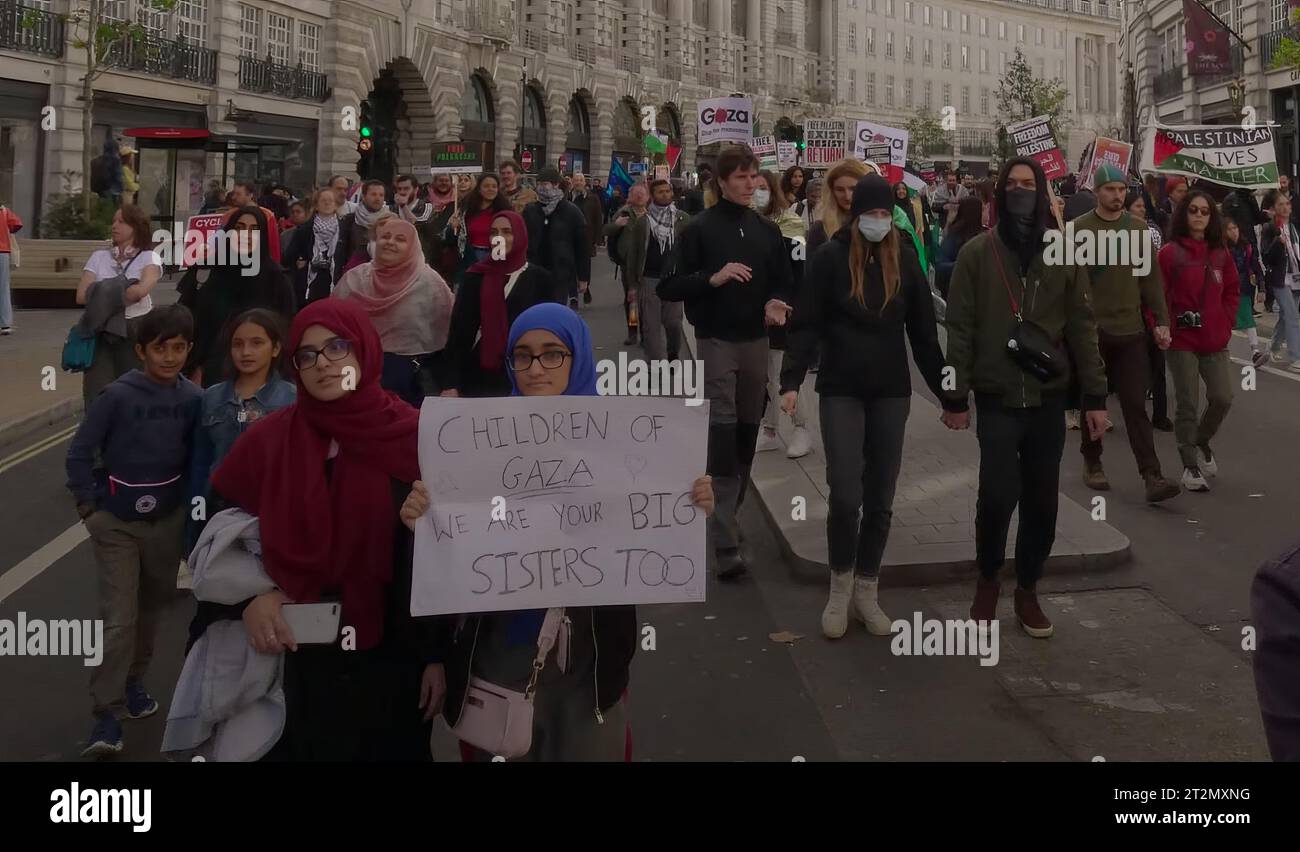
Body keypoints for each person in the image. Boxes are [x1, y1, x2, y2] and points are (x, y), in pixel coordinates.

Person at [409, 303, 714, 761]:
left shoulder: (623, 440)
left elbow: (647, 541)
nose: (536, 368)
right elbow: (449, 558)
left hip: (590, 666)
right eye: (522, 355)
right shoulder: (472, 444)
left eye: (553, 354)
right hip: (496, 657)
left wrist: (686, 504)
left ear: (579, 358)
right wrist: (424, 521)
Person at [208, 299, 447, 761]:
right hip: (297, 658)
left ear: (364, 351)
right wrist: (250, 598)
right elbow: (218, 536)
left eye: (337, 347)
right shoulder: (266, 442)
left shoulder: (418, 438)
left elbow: (446, 559)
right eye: (307, 355)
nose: (323, 364)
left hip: (393, 657)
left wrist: (435, 656)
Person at [941, 157, 1109, 639]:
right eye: (1011, 185)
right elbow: (959, 329)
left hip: (1047, 397)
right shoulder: (977, 254)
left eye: (1028, 185)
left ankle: (1029, 586)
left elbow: (1082, 327)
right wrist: (955, 397)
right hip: (996, 397)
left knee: (1042, 500)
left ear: (1041, 193)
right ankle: (989, 577)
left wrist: (1094, 397)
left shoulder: (1063, 253)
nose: (1020, 192)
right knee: (996, 495)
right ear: (999, 192)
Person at [781, 174, 947, 639]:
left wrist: (949, 394)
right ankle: (839, 589)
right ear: (857, 217)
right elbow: (806, 324)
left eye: (883, 214)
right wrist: (791, 380)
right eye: (869, 214)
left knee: (880, 498)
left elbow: (924, 335)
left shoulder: (906, 260)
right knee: (846, 495)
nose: (877, 221)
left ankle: (867, 592)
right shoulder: (830, 258)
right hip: (841, 388)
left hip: (891, 390)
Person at [67, 305, 201, 757]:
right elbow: (80, 453)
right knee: (119, 619)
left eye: (179, 348)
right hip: (116, 526)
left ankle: (135, 682)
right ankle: (106, 714)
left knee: (149, 614)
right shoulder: (117, 396)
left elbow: (197, 460)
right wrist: (90, 507)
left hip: (166, 524)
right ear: (141, 350)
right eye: (160, 348)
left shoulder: (191, 400)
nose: (170, 357)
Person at [657, 144, 795, 580]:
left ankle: (729, 511)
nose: (749, 184)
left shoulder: (767, 231)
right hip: (715, 340)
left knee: (748, 425)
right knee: (722, 422)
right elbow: (669, 286)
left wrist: (777, 301)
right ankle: (724, 541)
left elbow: (784, 281)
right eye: (739, 177)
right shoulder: (698, 229)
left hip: (756, 340)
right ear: (720, 181)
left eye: (753, 177)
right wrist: (711, 279)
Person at [1069, 164, 1179, 503]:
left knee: (1134, 404)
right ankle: (1093, 460)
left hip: (1131, 331)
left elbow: (1150, 281)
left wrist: (1160, 320)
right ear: (1097, 193)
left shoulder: (1138, 230)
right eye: (1110, 190)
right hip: (1092, 333)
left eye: (1121, 190)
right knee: (1094, 401)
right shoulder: (1076, 230)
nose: (1117, 196)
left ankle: (1152, 475)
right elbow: (1064, 281)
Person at [187, 308, 296, 550]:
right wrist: (196, 514)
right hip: (217, 507)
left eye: (257, 343)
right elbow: (201, 460)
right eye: (238, 344)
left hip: (268, 511)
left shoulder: (292, 400)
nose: (246, 352)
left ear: (275, 348)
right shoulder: (212, 397)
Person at [1158, 189, 1239, 493]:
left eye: (1205, 211)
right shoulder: (1168, 253)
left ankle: (1201, 441)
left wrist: (1226, 321)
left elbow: (1232, 289)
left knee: (1223, 397)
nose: (1199, 216)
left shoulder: (1221, 253)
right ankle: (1189, 465)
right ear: (1184, 214)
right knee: (1188, 402)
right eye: (1193, 210)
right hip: (1181, 340)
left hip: (1214, 339)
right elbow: (1158, 295)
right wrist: (1160, 325)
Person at [333, 215, 455, 406]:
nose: (390, 242)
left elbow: (449, 331)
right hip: (357, 374)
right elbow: (332, 326)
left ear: (413, 246)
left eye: (400, 239)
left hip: (408, 382)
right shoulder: (354, 279)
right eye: (385, 236)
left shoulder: (429, 283)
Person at [443, 210, 562, 397]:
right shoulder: (476, 277)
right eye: (493, 232)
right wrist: (450, 384)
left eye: (507, 232)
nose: (499, 238)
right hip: (484, 375)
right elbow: (460, 335)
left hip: (531, 371)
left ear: (520, 235)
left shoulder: (541, 278)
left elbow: (553, 333)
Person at [177, 206, 296, 388]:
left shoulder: (276, 279)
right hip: (206, 376)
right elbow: (185, 320)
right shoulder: (207, 269)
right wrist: (194, 367)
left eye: (253, 230)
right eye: (239, 228)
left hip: (259, 380)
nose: (244, 235)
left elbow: (285, 332)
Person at [751, 169, 813, 460]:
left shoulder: (792, 222)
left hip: (783, 308)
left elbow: (797, 270)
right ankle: (770, 429)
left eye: (763, 187)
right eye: (754, 187)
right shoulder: (747, 220)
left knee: (780, 373)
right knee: (765, 376)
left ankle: (801, 427)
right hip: (753, 310)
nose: (756, 192)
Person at [77, 205, 164, 405]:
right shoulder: (99, 257)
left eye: (121, 221)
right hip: (101, 330)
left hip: (135, 329)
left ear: (135, 227)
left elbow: (140, 291)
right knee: (97, 393)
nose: (114, 225)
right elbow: (81, 295)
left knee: (134, 392)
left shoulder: (148, 257)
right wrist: (121, 287)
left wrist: (100, 289)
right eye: (114, 220)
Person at [621, 179, 688, 362]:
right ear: (653, 196)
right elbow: (633, 255)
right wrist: (633, 286)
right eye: (660, 192)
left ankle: (673, 353)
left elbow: (691, 249)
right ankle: (654, 364)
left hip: (673, 279)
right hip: (649, 279)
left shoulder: (682, 219)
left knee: (674, 323)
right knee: (650, 327)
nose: (665, 194)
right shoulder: (644, 222)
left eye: (668, 191)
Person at [1126, 190, 1172, 432]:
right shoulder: (1118, 235)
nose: (1142, 210)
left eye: (1144, 206)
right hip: (1128, 308)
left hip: (1151, 306)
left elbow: (1159, 265)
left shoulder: (1152, 232)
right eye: (1137, 206)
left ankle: (1160, 414)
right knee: (1133, 367)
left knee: (1158, 365)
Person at [522, 166, 590, 310]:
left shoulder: (572, 212)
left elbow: (582, 247)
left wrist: (583, 277)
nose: (541, 188)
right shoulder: (530, 210)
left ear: (556, 184)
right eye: (538, 184)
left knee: (554, 313)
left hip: (560, 273)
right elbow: (523, 240)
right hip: (534, 271)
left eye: (545, 184)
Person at [283, 188, 345, 307]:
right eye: (323, 200)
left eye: (330, 201)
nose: (327, 203)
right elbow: (289, 257)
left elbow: (347, 254)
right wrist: (301, 261)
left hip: (334, 282)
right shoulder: (304, 229)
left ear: (336, 205)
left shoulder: (343, 230)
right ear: (316, 205)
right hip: (309, 284)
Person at [1259, 194, 1300, 371]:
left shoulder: (1293, 227)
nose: (1285, 207)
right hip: (1279, 279)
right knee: (1292, 316)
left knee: (1285, 317)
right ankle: (1296, 356)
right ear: (1274, 209)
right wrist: (1278, 242)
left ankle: (1273, 347)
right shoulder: (1269, 228)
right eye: (1280, 204)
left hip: (1296, 277)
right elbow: (1266, 256)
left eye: (1287, 204)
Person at [605, 183, 650, 344]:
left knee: (646, 301)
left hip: (648, 265)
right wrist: (617, 225)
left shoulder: (652, 214)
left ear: (647, 196)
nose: (639, 197)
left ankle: (646, 334)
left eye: (642, 194)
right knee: (632, 301)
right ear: (630, 196)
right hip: (628, 265)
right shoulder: (623, 212)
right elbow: (606, 230)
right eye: (636, 194)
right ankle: (633, 331)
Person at [1226, 219, 1270, 368]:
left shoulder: (1247, 247)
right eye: (1229, 229)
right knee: (1226, 322)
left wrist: (1262, 288)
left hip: (1243, 289)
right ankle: (1222, 349)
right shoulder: (1221, 248)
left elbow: (1256, 266)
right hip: (1225, 291)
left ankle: (1255, 352)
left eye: (1235, 227)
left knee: (1249, 320)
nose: (1233, 231)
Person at [450, 173, 511, 278]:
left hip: (495, 257)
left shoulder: (505, 212)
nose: (490, 189)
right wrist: (454, 227)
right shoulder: (467, 210)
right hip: (470, 257)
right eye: (486, 186)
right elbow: (452, 239)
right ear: (479, 189)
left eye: (494, 186)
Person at [809, 159, 870, 255]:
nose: (847, 196)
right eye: (840, 190)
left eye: (853, 189)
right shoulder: (821, 228)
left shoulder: (880, 223)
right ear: (831, 191)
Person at [935, 196, 985, 301]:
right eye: (984, 209)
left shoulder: (984, 233)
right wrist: (965, 263)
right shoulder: (955, 236)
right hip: (958, 294)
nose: (987, 212)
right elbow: (941, 266)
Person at [338, 179, 390, 272]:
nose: (378, 198)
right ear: (364, 196)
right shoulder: (350, 220)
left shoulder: (390, 220)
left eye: (381, 195)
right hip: (355, 273)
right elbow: (340, 252)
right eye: (373, 194)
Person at [570, 172, 606, 264]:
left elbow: (598, 219)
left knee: (584, 267)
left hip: (586, 238)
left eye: (581, 180)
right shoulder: (567, 197)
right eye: (576, 180)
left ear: (584, 183)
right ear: (572, 182)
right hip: (570, 238)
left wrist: (597, 239)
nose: (578, 183)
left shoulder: (593, 198)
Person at [0, 200, 22, 335]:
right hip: (3, 253)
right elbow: (17, 224)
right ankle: (5, 324)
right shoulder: (4, 211)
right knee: (3, 288)